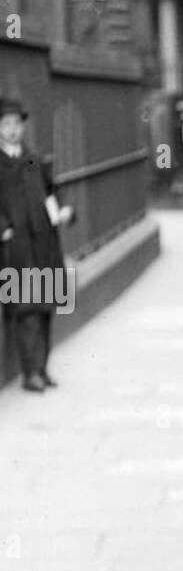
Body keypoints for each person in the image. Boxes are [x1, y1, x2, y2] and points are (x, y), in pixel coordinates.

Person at [0, 97, 73, 392]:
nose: (12, 130)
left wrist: (64, 211)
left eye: (16, 124)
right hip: (16, 245)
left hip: (44, 242)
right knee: (25, 308)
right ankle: (30, 373)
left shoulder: (33, 157)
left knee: (46, 308)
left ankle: (43, 368)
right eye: (6, 125)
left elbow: (52, 190)